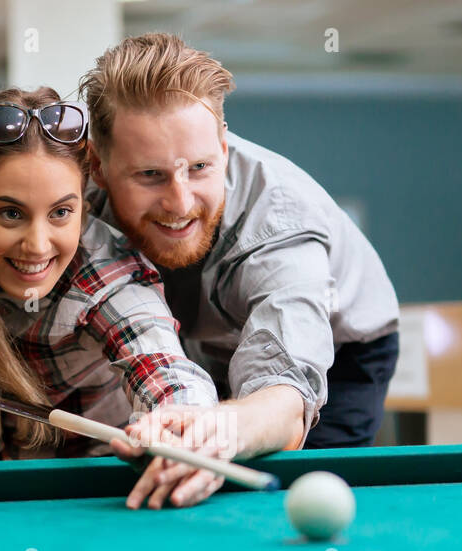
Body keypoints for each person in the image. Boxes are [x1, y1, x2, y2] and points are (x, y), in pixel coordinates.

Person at [80, 33, 402, 509]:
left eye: (200, 167)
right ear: (98, 166)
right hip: (194, 345)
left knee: (284, 499)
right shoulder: (72, 198)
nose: (181, 203)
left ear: (224, 149)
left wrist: (219, 428)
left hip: (339, 352)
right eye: (150, 175)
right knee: (184, 472)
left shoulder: (281, 220)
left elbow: (286, 398)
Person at [0, 85, 218, 493]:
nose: (37, 245)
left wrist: (184, 423)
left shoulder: (110, 282)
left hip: (97, 488)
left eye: (60, 212)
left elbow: (167, 371)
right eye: (11, 213)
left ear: (82, 205)